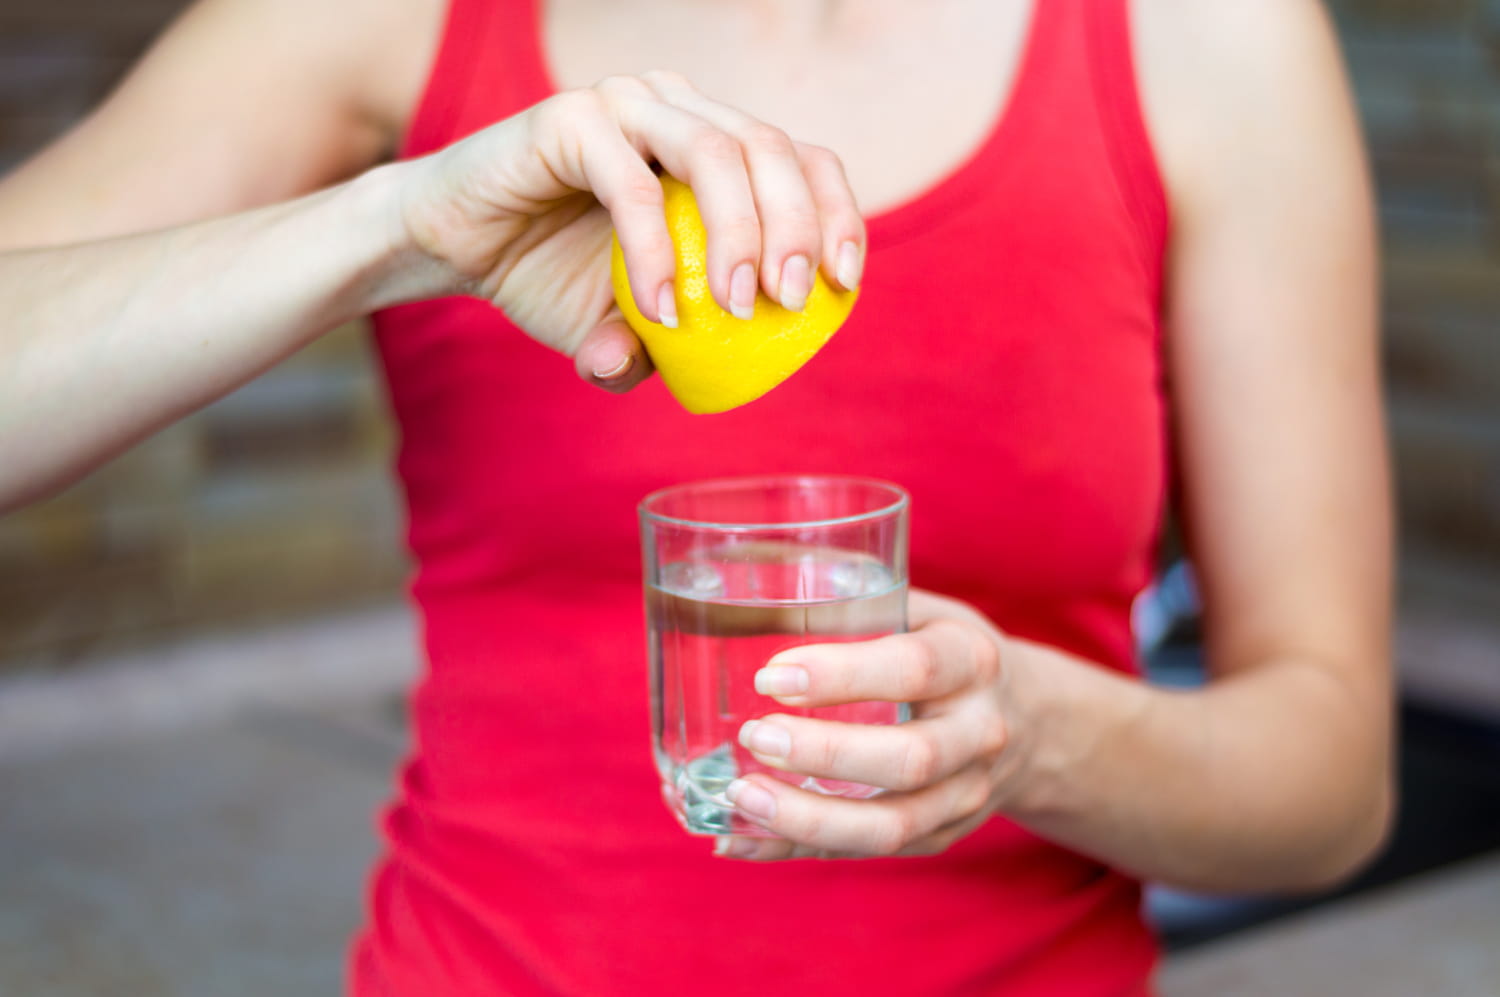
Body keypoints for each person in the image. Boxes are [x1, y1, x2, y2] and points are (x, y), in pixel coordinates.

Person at [0, 0, 1392, 993]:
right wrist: (386, 228)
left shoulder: (1209, 36)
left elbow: (1330, 784)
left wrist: (1027, 735)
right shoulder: (375, 21)